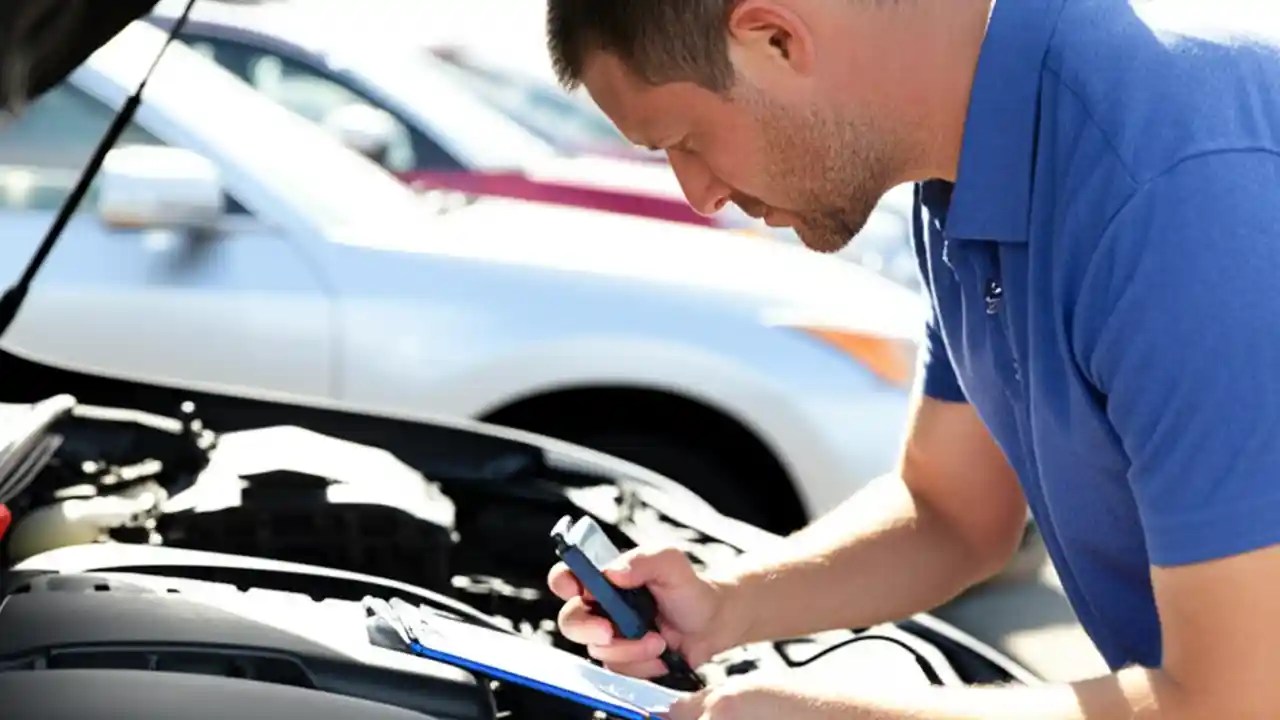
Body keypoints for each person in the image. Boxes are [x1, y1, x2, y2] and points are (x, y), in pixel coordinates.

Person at [541, 0, 1280, 718]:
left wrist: (845, 716)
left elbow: (1240, 700)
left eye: (687, 139)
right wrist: (722, 605)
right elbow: (951, 511)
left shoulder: (1180, 183)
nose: (698, 195)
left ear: (774, 37)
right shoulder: (967, 169)